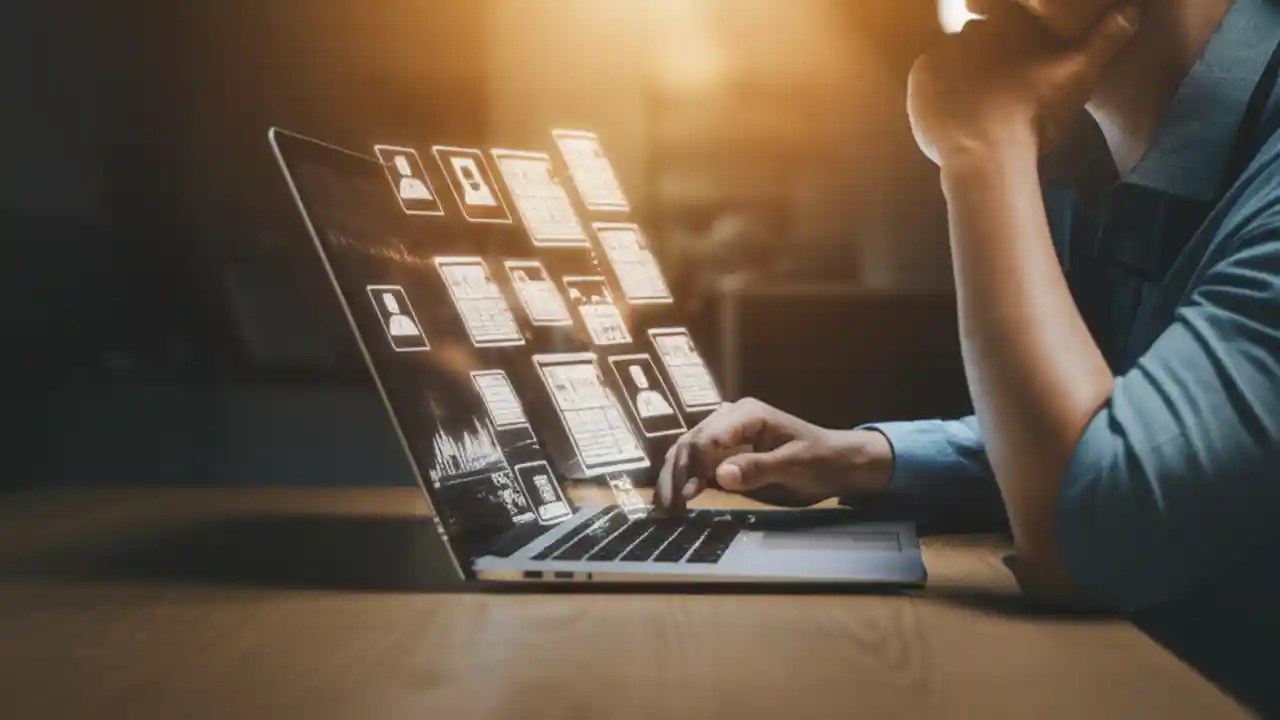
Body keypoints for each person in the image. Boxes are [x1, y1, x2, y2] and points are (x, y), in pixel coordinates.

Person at [654, 0, 1280, 712]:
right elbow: (1139, 440)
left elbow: (1092, 547)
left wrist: (982, 149)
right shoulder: (1082, 147)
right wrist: (864, 458)